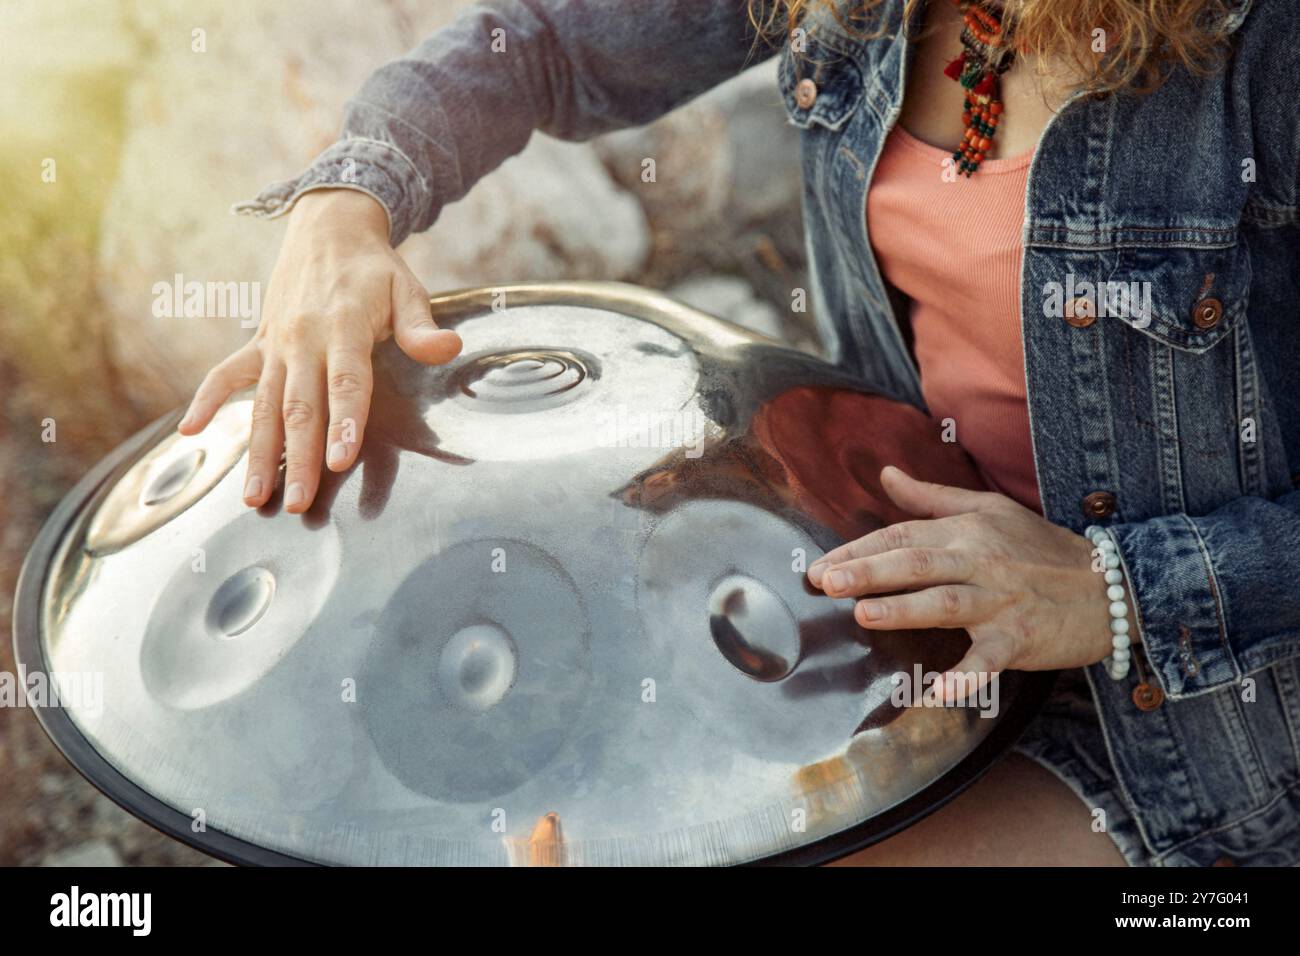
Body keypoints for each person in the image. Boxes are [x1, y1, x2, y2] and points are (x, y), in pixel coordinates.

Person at [179, 0, 1300, 865]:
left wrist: (1106, 590)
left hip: (1213, 722)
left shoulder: (1262, 53)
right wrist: (349, 204)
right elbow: (544, 46)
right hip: (915, 649)